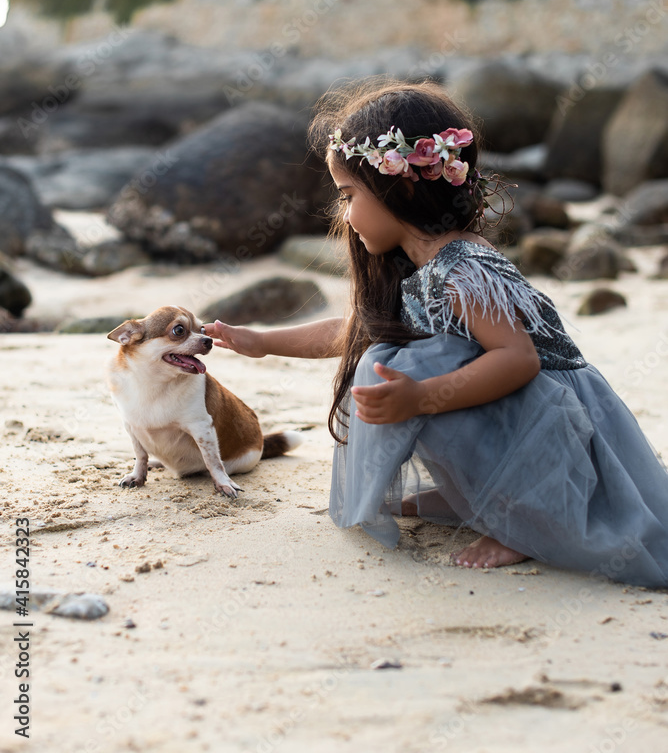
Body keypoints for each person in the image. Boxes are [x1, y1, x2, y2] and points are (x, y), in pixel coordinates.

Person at [204, 81, 668, 588]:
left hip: (558, 430)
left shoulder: (462, 268)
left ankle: (523, 518)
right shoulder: (416, 268)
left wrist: (423, 397)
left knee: (418, 367)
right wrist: (264, 341)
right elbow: (353, 332)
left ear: (401, 187)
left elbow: (519, 361)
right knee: (398, 354)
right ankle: (482, 495)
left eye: (348, 195)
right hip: (523, 420)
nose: (344, 214)